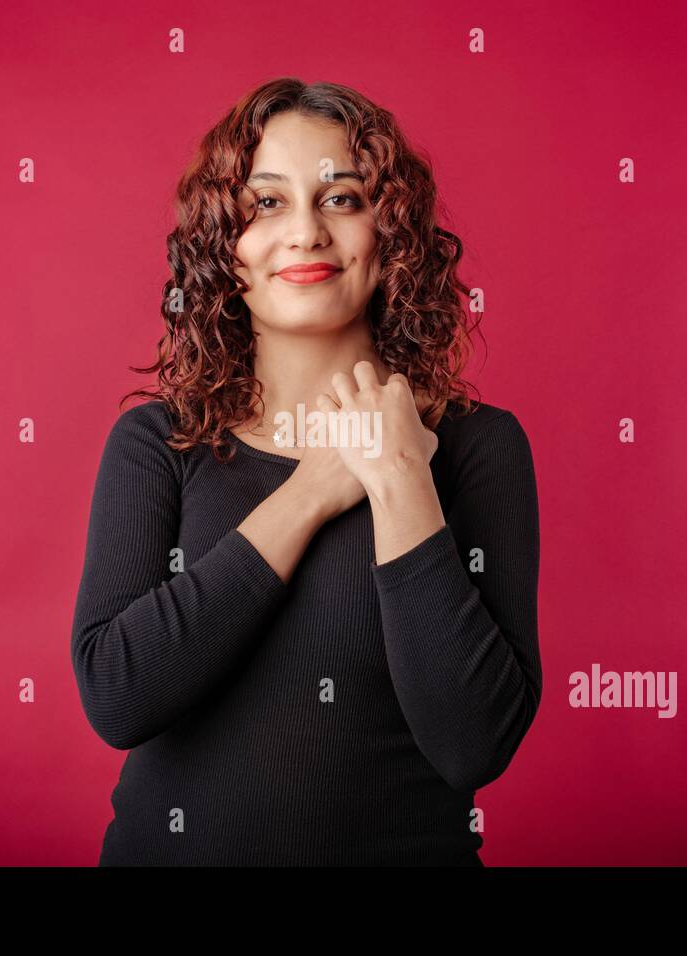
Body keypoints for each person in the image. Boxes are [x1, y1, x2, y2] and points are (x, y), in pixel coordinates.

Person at [71, 77, 541, 866]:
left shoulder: (475, 449)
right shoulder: (158, 444)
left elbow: (474, 744)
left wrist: (399, 479)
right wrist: (315, 489)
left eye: (342, 199)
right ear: (225, 244)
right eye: (266, 203)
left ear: (389, 234)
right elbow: (119, 696)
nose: (305, 234)